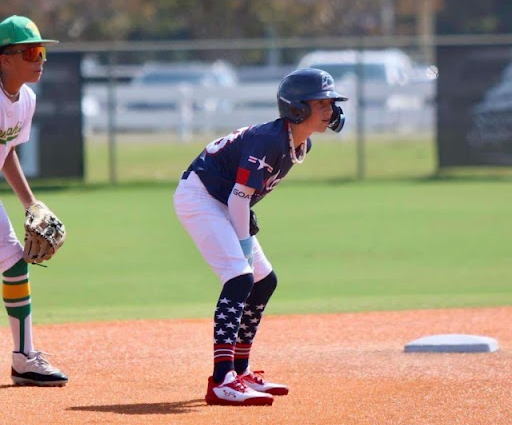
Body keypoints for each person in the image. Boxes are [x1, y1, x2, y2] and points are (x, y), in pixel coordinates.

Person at [173, 68, 347, 406]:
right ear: (297, 108)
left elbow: (241, 195)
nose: (330, 110)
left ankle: (240, 370)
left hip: (224, 199)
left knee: (264, 282)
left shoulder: (300, 142)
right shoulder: (270, 140)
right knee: (240, 278)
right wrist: (243, 246)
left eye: (331, 103)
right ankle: (222, 380)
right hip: (200, 197)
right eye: (321, 103)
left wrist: (242, 225)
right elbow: (239, 197)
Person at [0, 15, 68, 386]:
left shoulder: (25, 99)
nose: (39, 60)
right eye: (29, 53)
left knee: (13, 260)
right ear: (4, 59)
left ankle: (24, 359)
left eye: (41, 51)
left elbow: (6, 150)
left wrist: (31, 203)